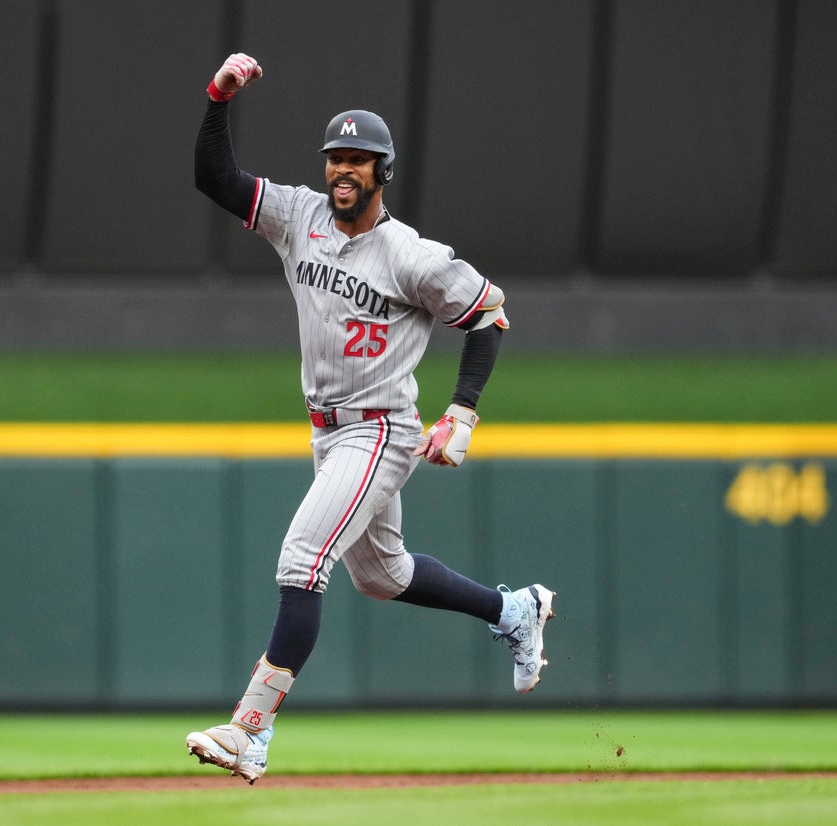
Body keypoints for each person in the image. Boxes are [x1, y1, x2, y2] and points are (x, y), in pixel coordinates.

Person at [185, 53, 555, 784]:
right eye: (335, 159)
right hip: (328, 430)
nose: (343, 170)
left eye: (358, 159)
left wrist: (463, 412)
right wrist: (218, 99)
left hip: (382, 429)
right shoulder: (299, 217)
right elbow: (215, 180)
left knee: (302, 559)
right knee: (382, 575)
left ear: (383, 170)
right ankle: (513, 610)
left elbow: (490, 314)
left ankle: (250, 730)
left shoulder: (410, 255)